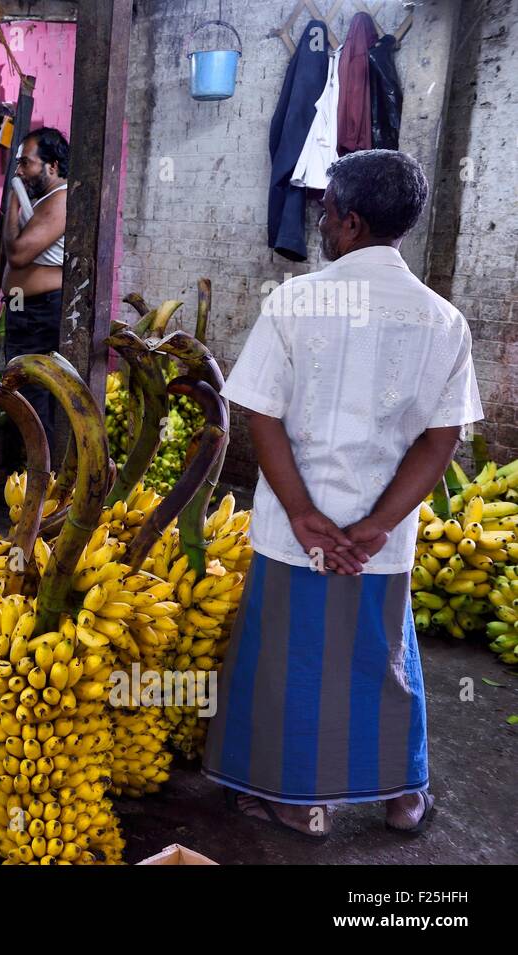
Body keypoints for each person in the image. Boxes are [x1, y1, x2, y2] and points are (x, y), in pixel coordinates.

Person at [204, 150, 482, 839]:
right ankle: (402, 798)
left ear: (351, 221)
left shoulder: (296, 301)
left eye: (327, 209)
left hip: (296, 530)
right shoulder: (443, 320)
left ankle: (298, 802)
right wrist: (380, 525)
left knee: (291, 660)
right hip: (379, 541)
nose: (322, 221)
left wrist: (303, 513)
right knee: (382, 659)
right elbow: (440, 441)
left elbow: (260, 414)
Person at [2, 127, 68, 447]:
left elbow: (17, 254)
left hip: (41, 314)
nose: (19, 171)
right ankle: (30, 477)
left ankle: (43, 482)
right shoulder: (42, 201)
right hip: (25, 311)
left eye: (25, 163)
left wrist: (12, 201)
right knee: (22, 394)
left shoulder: (61, 199)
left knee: (35, 400)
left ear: (51, 165)